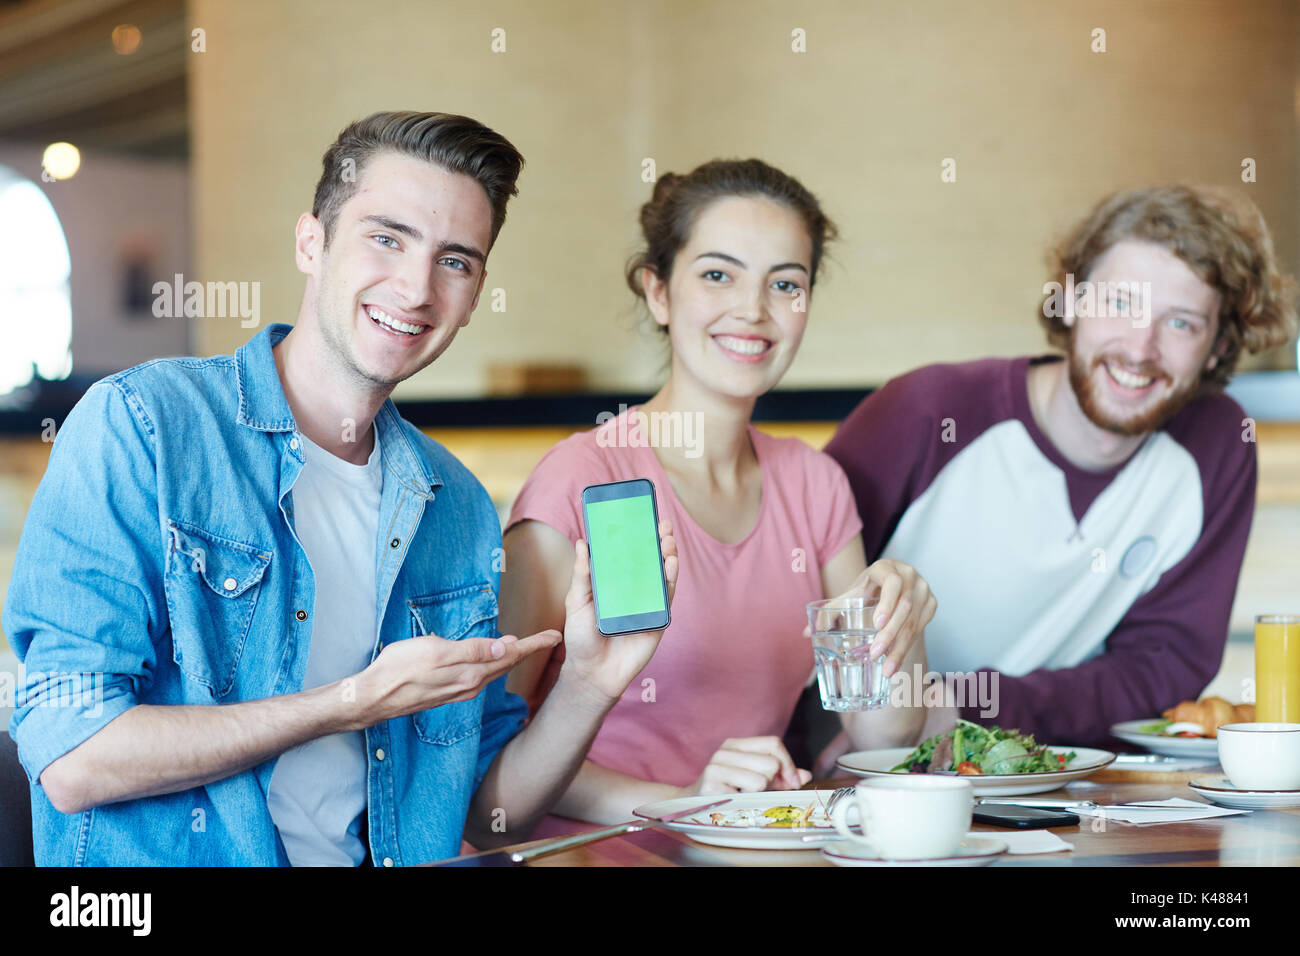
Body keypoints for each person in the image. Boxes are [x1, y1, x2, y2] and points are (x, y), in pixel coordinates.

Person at [2, 111, 678, 866]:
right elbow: (72, 756)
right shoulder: (145, 427)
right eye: (386, 238)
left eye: (456, 261)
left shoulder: (453, 505)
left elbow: (491, 817)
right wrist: (349, 703)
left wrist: (589, 682)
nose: (417, 289)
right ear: (311, 242)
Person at [500, 159, 936, 829]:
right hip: (599, 849)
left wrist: (898, 625)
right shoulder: (589, 481)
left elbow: (883, 737)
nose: (753, 311)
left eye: (785, 284)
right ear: (658, 293)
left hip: (753, 844)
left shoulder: (813, 483)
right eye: (717, 275)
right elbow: (489, 774)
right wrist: (689, 803)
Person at [820, 184, 1297, 752]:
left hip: (1064, 784)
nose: (1139, 349)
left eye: (1182, 324)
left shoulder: (1217, 444)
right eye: (1119, 305)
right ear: (1070, 302)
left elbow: (1161, 670)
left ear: (1218, 347)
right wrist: (844, 731)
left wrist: (954, 707)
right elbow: (794, 602)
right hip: (866, 774)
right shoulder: (925, 412)